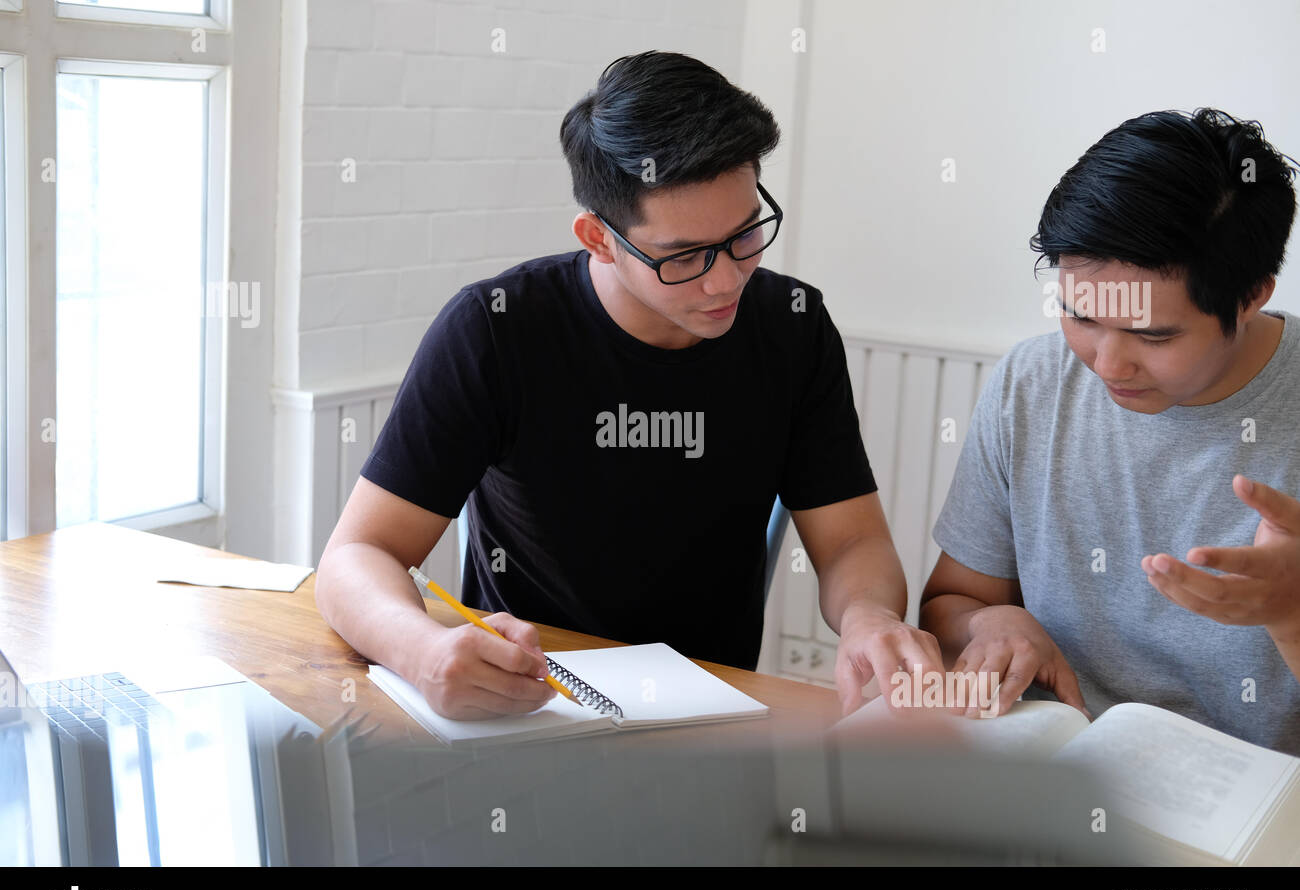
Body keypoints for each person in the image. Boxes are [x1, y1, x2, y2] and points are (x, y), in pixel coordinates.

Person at [315, 51, 943, 720]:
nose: (726, 279)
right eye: (684, 257)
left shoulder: (792, 325)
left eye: (744, 236)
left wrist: (870, 618)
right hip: (534, 698)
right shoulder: (497, 329)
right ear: (600, 238)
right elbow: (357, 555)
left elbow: (851, 539)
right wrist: (423, 651)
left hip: (713, 703)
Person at [919, 108, 1300, 754]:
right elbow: (950, 602)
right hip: (1050, 778)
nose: (1106, 362)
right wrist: (997, 623)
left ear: (1252, 294)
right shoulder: (1031, 384)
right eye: (1079, 315)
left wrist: (1291, 614)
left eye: (1154, 335)